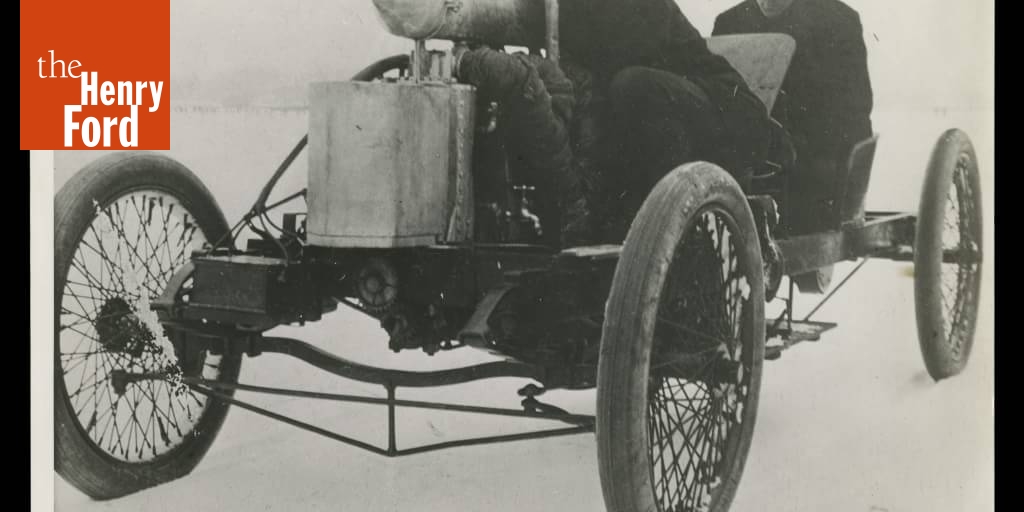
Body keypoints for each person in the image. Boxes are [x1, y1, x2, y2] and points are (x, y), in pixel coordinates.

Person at [453, 0, 776, 246]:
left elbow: (624, 45)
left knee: (631, 86)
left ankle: (654, 230)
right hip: (650, 115)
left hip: (718, 114)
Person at [713, 0, 874, 234]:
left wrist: (850, 204)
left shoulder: (839, 20)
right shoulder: (729, 24)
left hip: (813, 183)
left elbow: (855, 118)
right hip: (747, 179)